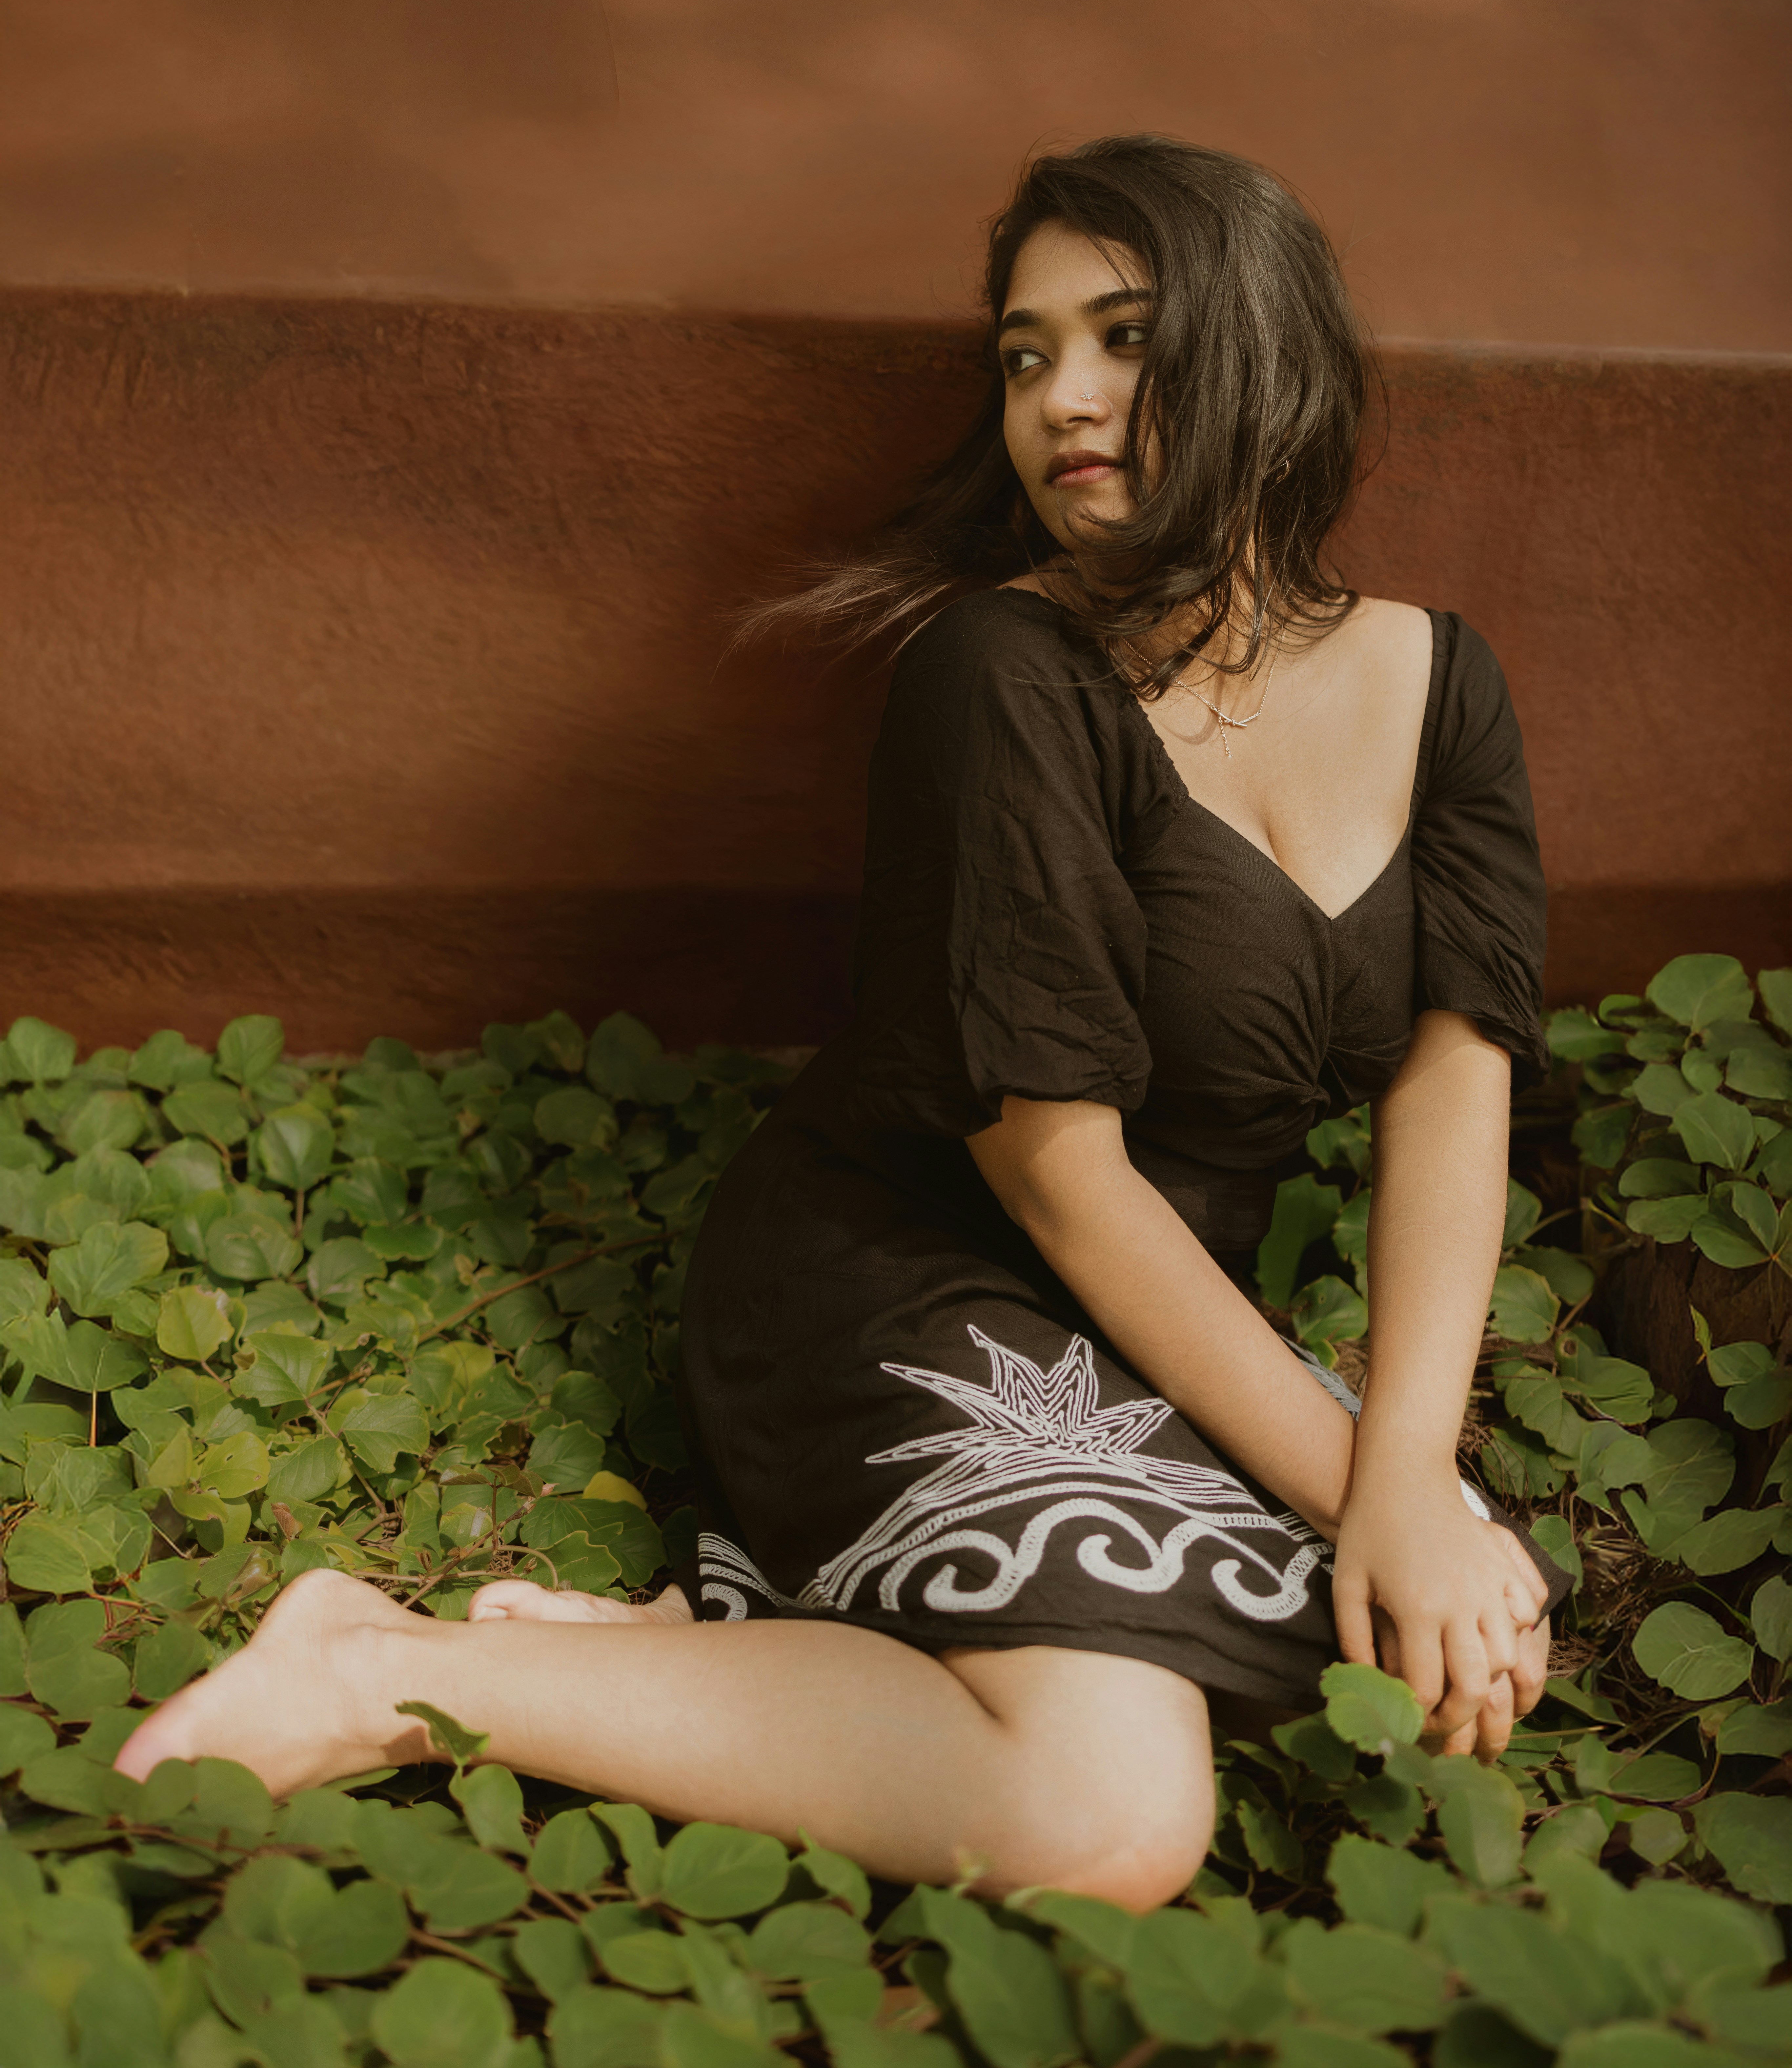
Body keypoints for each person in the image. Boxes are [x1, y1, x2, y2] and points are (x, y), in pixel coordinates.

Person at [120, 136, 1570, 1913]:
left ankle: (728, 1636)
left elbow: (1452, 1084)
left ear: (1264, 347)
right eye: (1025, 355)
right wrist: (1371, 1503)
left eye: (1121, 336)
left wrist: (1410, 1476)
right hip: (903, 1268)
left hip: (1156, 1310)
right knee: (1111, 1823)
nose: (1064, 399)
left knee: (1460, 1648)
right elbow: (1056, 1178)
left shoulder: (1445, 683)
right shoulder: (1000, 672)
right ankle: (375, 1672)